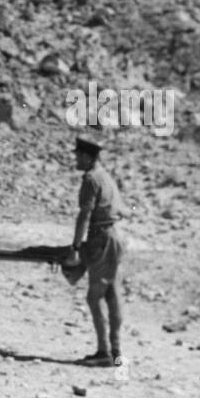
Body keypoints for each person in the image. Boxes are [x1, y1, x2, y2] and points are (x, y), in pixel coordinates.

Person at [64, 134, 127, 366]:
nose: (76, 160)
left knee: (94, 296)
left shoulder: (91, 179)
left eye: (79, 156)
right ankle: (116, 349)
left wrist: (75, 247)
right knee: (112, 294)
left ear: (88, 157)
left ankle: (104, 352)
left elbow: (85, 214)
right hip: (117, 235)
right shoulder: (106, 177)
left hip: (102, 237)